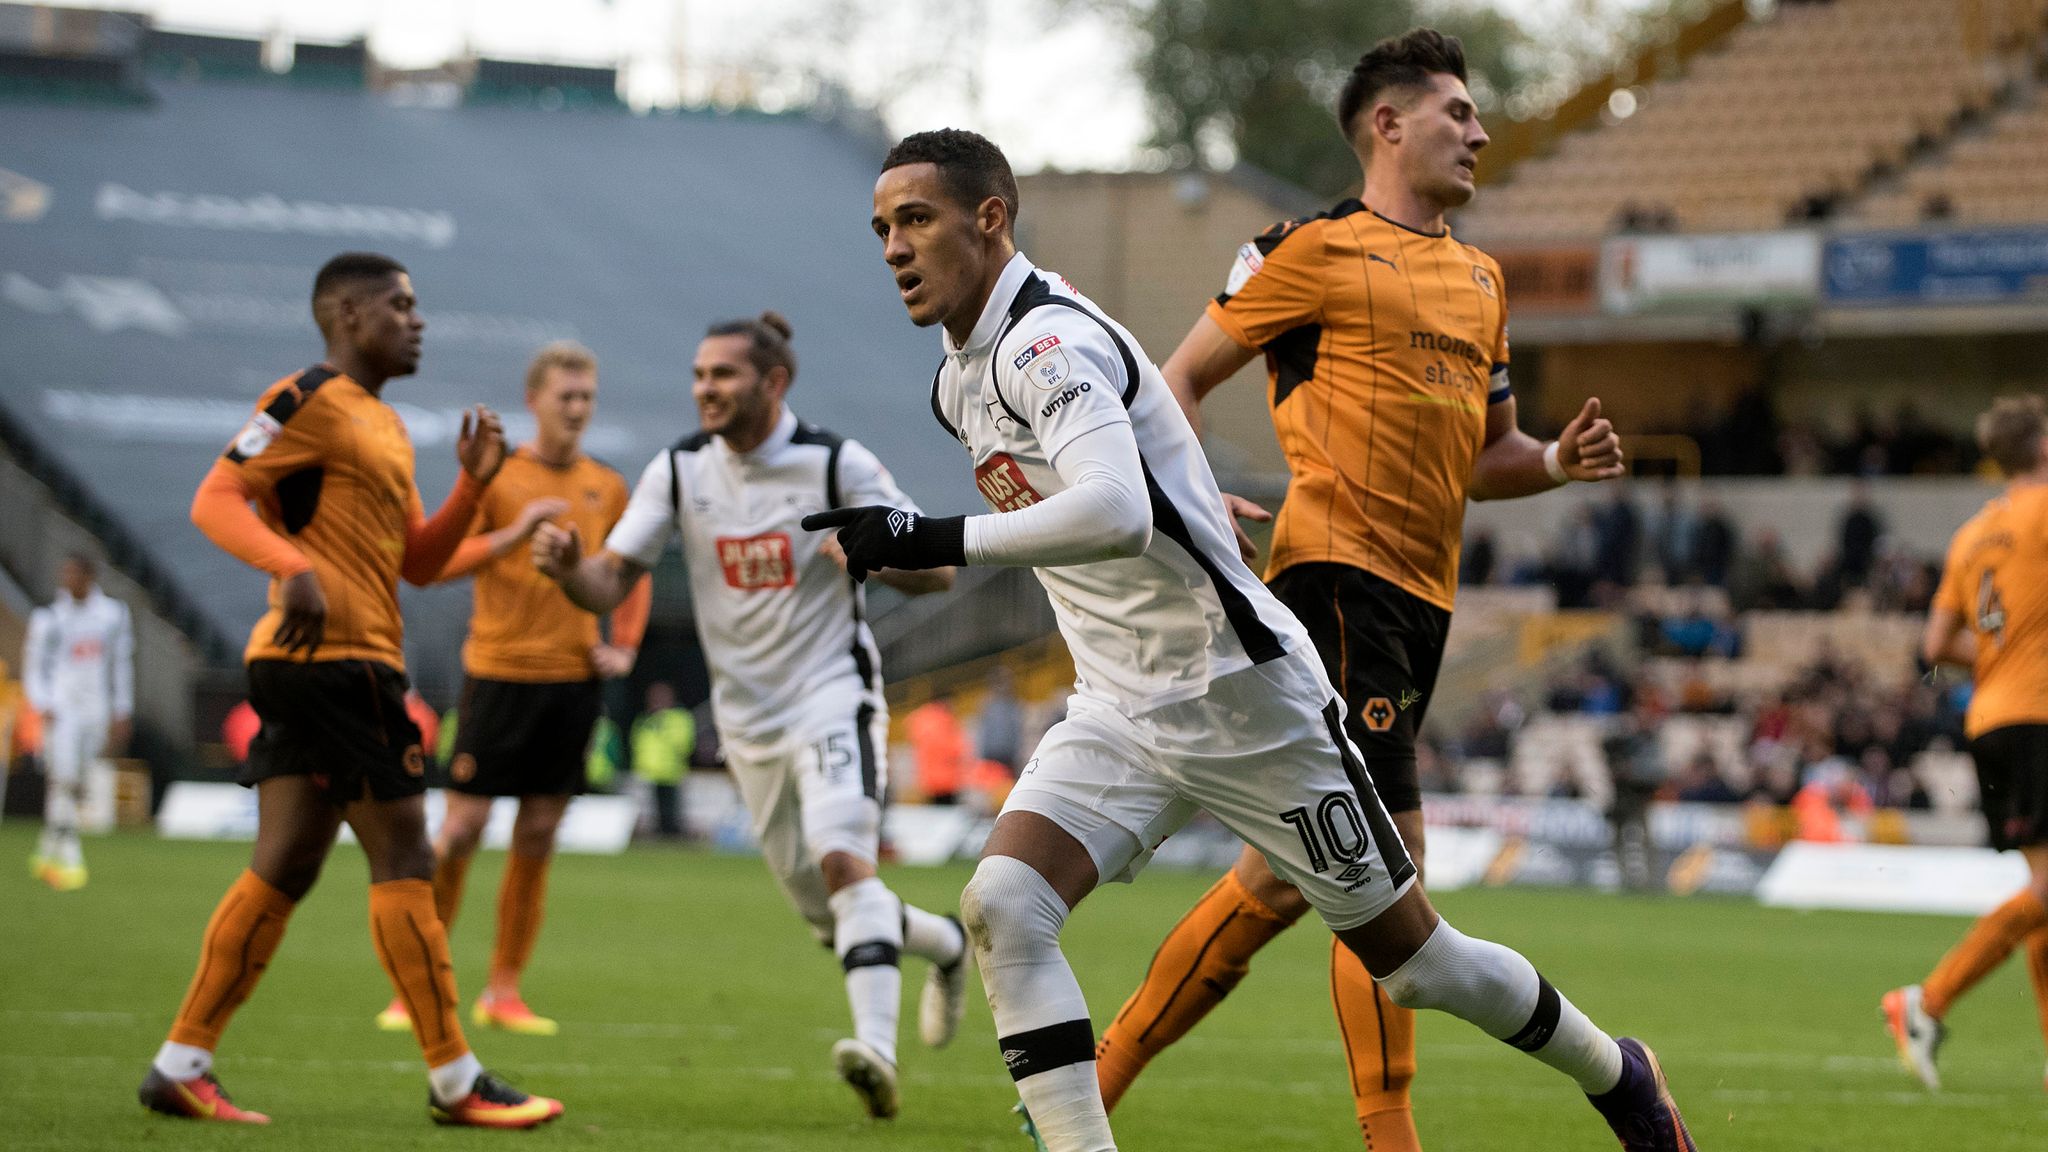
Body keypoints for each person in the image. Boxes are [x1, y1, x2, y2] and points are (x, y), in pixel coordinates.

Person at [844, 123, 1694, 1152]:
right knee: (1003, 905)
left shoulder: (1043, 342)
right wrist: (1190, 498)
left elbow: (1114, 510)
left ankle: (1617, 1073)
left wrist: (931, 535)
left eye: (916, 220)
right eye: (884, 226)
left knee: (1417, 964)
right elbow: (1138, 462)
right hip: (1118, 706)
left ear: (990, 219)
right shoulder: (957, 378)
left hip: (1242, 697)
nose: (894, 245)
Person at [1090, 29, 1638, 1150]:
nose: (1478, 131)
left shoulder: (1480, 280)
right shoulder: (1306, 249)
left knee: (1289, 878)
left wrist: (1552, 464)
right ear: (1386, 126)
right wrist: (1190, 502)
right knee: (1390, 877)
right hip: (1333, 577)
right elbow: (1173, 380)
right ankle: (1390, 1132)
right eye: (1456, 111)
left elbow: (1490, 458)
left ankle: (1088, 1083)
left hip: (1423, 604)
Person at [139, 252, 561, 1128]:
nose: (419, 320)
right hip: (336, 662)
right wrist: (289, 564)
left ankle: (181, 1061)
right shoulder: (303, 398)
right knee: (407, 858)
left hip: (329, 662)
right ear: (344, 312)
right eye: (400, 305)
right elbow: (215, 499)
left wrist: (474, 489)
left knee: (287, 862)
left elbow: (418, 562)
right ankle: (456, 1080)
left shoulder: (386, 426)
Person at [534, 310, 971, 1120]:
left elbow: (938, 575)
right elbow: (608, 582)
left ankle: (875, 1053)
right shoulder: (679, 470)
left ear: (774, 383)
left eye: (723, 375)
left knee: (847, 865)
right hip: (747, 721)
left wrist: (877, 555)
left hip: (833, 692)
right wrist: (568, 573)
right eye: (700, 375)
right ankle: (945, 943)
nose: (705, 389)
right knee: (828, 915)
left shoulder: (836, 464)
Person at [374, 340, 650, 1038]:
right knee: (461, 830)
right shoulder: (498, 479)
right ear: (535, 401)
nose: (579, 411)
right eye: (566, 397)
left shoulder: (606, 486)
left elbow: (632, 569)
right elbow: (435, 564)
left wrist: (624, 643)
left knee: (538, 832)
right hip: (498, 674)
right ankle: (418, 988)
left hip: (572, 682)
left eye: (587, 397)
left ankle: (503, 990)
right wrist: (513, 536)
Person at [1884, 395, 2048, 1093]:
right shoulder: (2044, 511)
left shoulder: (1974, 533)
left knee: (2044, 894)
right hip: (2041, 713)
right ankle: (1928, 999)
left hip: (1991, 718)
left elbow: (1935, 644)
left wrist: (1998, 659)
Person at [22, 552, 133, 891]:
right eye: (64, 572)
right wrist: (42, 702)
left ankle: (45, 850)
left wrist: (122, 708)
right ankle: (71, 860)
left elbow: (121, 663)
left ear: (89, 576)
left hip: (95, 709)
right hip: (62, 709)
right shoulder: (49, 618)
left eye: (72, 573)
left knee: (76, 783)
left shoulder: (113, 616)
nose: (66, 579)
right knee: (64, 779)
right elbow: (33, 664)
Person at [631, 681, 695, 839]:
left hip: (671, 770)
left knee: (670, 805)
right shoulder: (646, 719)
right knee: (653, 807)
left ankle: (671, 832)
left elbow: (684, 742)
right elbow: (637, 741)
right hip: (650, 771)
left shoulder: (679, 717)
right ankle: (660, 831)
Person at [907, 692, 968, 804]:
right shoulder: (945, 721)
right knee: (946, 814)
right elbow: (955, 749)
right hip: (947, 779)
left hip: (928, 779)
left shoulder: (922, 719)